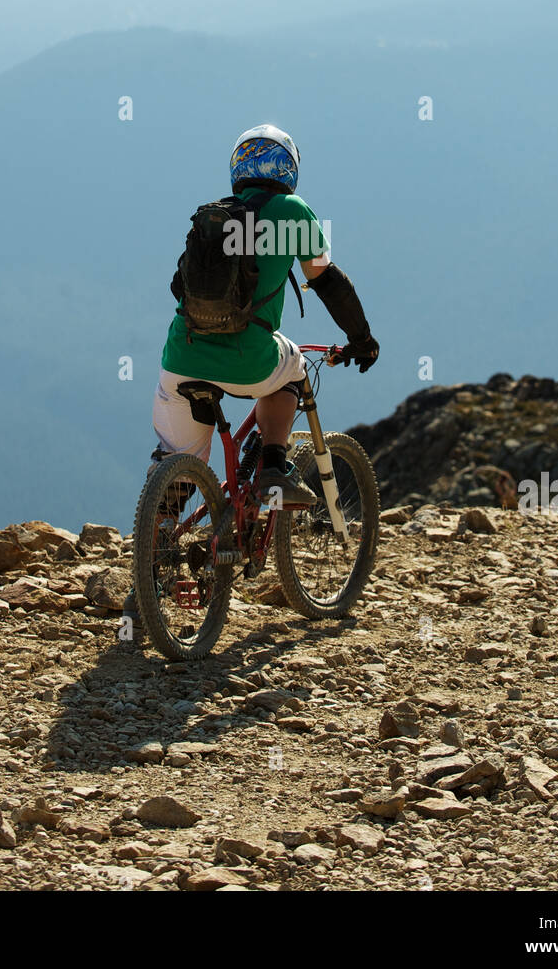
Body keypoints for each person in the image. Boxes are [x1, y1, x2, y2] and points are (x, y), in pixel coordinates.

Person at [120, 124, 378, 635]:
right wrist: (362, 336)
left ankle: (152, 559)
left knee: (177, 458)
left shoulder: (211, 217)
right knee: (295, 370)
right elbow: (327, 281)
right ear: (288, 170)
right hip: (249, 358)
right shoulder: (294, 213)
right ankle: (276, 468)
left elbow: (180, 286)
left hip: (181, 355)